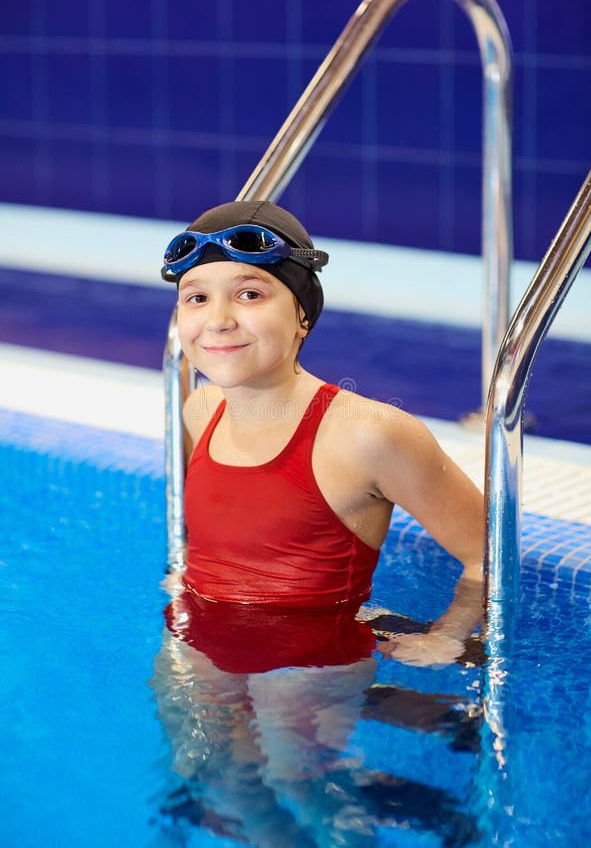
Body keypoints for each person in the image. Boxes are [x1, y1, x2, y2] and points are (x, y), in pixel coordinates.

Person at [150, 199, 485, 847]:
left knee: (301, 782)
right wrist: (186, 577)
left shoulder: (370, 434)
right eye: (195, 298)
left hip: (306, 663)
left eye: (249, 293)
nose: (217, 320)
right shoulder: (198, 409)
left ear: (302, 314)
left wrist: (447, 636)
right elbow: (224, 524)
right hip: (198, 633)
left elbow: (489, 552)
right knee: (218, 778)